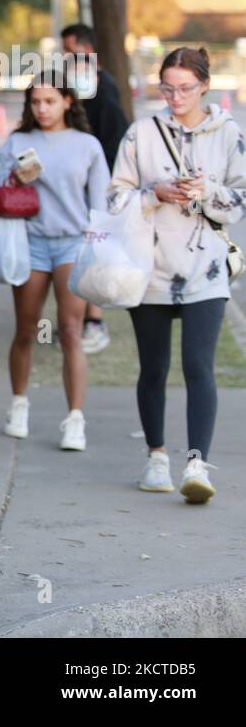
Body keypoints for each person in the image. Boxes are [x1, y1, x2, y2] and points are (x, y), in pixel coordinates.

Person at [107, 47, 246, 503]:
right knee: (154, 367)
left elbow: (240, 202)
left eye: (185, 87)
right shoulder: (142, 133)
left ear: (205, 85)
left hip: (206, 269)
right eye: (167, 87)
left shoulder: (228, 133)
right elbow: (114, 198)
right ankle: (156, 455)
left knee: (198, 366)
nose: (175, 96)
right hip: (147, 268)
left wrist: (206, 191)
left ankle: (196, 464)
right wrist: (153, 193)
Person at [0, 72, 109, 450]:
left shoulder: (87, 145)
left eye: (50, 101)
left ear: (68, 101)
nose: (42, 108)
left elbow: (100, 203)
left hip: (73, 244)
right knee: (26, 329)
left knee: (70, 330)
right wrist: (14, 177)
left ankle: (75, 420)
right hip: (30, 243)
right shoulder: (18, 140)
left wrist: (96, 247)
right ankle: (19, 404)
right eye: (36, 102)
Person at [61, 23, 131, 355]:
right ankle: (77, 322)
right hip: (74, 192)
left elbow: (113, 144)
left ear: (87, 51)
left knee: (91, 254)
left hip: (94, 192)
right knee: (76, 257)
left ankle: (93, 321)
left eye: (70, 51)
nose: (65, 57)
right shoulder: (80, 89)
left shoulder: (102, 92)